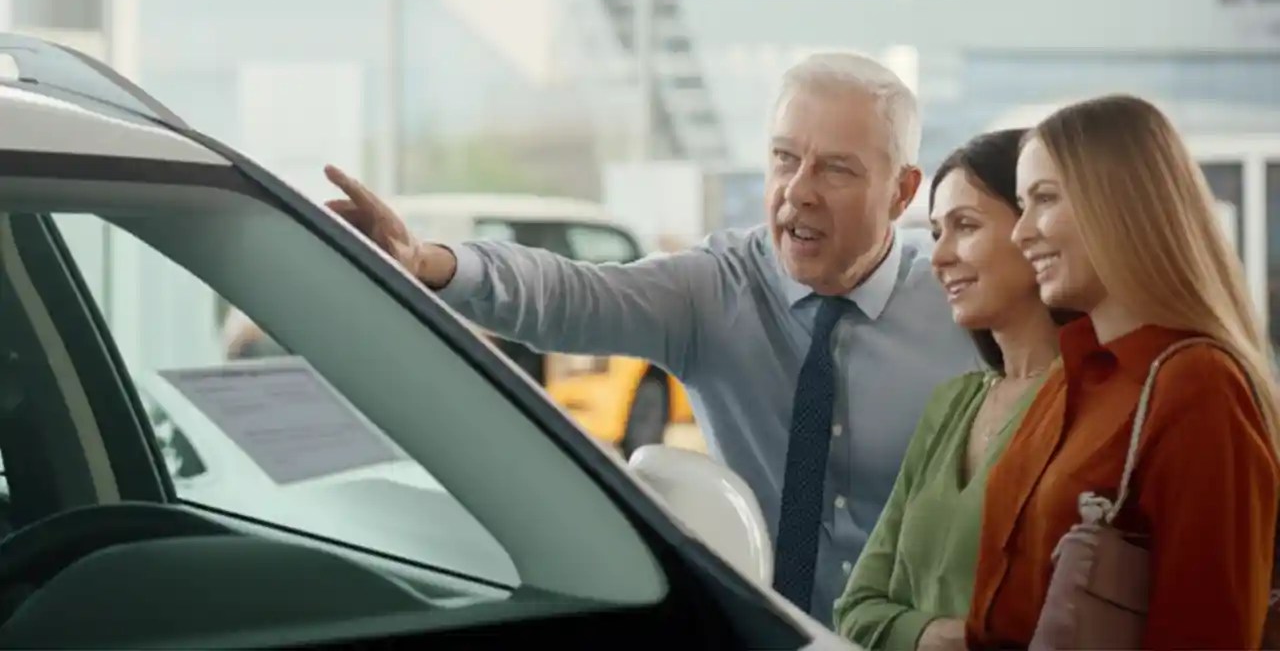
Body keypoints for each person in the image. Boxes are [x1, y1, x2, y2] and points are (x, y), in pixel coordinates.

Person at [321, 51, 981, 624]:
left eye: (836, 169)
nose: (797, 192)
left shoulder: (968, 304)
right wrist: (428, 262)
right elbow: (568, 294)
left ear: (901, 192)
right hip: (753, 631)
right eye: (784, 158)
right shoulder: (714, 290)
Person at [965, 94, 1280, 648]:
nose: (1021, 232)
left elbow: (1208, 633)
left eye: (1045, 198)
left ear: (1120, 204)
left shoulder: (1200, 386)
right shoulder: (1070, 378)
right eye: (1021, 201)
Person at [832, 128, 1070, 649]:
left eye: (965, 226)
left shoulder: (1091, 403)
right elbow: (855, 606)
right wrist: (927, 635)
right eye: (937, 231)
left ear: (1037, 229)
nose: (938, 257)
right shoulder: (953, 403)